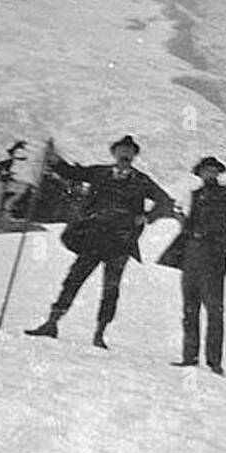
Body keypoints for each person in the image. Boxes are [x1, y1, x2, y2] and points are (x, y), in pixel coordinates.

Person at [25, 135, 176, 348]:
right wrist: (54, 160)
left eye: (129, 151)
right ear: (114, 153)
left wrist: (147, 217)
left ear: (134, 155)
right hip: (94, 239)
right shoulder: (100, 173)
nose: (125, 154)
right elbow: (73, 173)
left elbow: (165, 201)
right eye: (122, 150)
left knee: (110, 289)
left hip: (121, 243)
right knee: (73, 279)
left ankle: (99, 334)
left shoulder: (142, 181)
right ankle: (52, 323)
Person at [170, 156, 226, 375]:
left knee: (214, 310)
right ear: (200, 173)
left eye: (213, 170)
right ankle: (189, 357)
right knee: (190, 309)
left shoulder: (225, 192)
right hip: (191, 256)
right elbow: (186, 220)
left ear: (218, 173)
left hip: (214, 258)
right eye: (206, 170)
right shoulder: (193, 195)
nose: (209, 174)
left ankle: (214, 362)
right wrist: (181, 219)